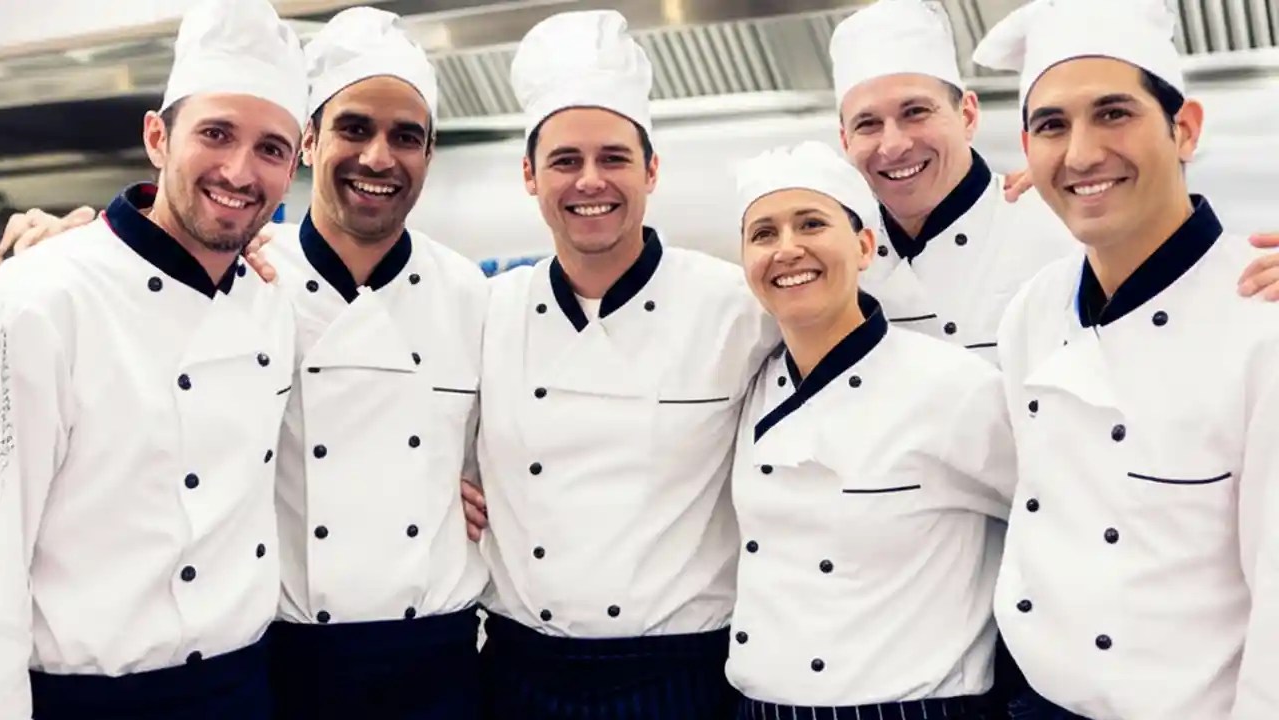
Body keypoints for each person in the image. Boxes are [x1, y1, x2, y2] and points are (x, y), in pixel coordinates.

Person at [0, 0, 308, 718]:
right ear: (157, 137)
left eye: (270, 148)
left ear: (294, 166)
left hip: (243, 690)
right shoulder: (39, 299)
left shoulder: (269, 302)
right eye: (216, 133)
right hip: (86, 702)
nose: (239, 169)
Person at [972, 0, 1279, 718]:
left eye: (1113, 113)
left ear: (1185, 129)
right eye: (1051, 125)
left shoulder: (1263, 323)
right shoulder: (1034, 312)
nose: (1079, 154)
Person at [471, 10, 776, 719]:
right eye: (564, 161)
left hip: (681, 673)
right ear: (529, 175)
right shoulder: (486, 310)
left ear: (651, 169)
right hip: (519, 672)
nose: (590, 182)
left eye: (613, 157)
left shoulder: (738, 306)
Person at [251, 9, 490, 720]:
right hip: (289, 662)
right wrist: (78, 233)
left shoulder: (472, 294)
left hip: (440, 666)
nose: (380, 158)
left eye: (405, 137)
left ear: (429, 153)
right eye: (354, 128)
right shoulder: (247, 276)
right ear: (308, 141)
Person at [725, 140, 1016, 719]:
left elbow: (1056, 523)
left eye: (811, 223)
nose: (787, 249)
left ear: (863, 246)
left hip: (915, 709)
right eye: (763, 234)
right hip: (761, 707)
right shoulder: (749, 384)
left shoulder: (953, 387)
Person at [828, 0, 1279, 368]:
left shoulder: (1070, 228)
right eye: (868, 124)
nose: (893, 145)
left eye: (916, 112)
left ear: (967, 115)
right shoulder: (833, 261)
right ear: (845, 140)